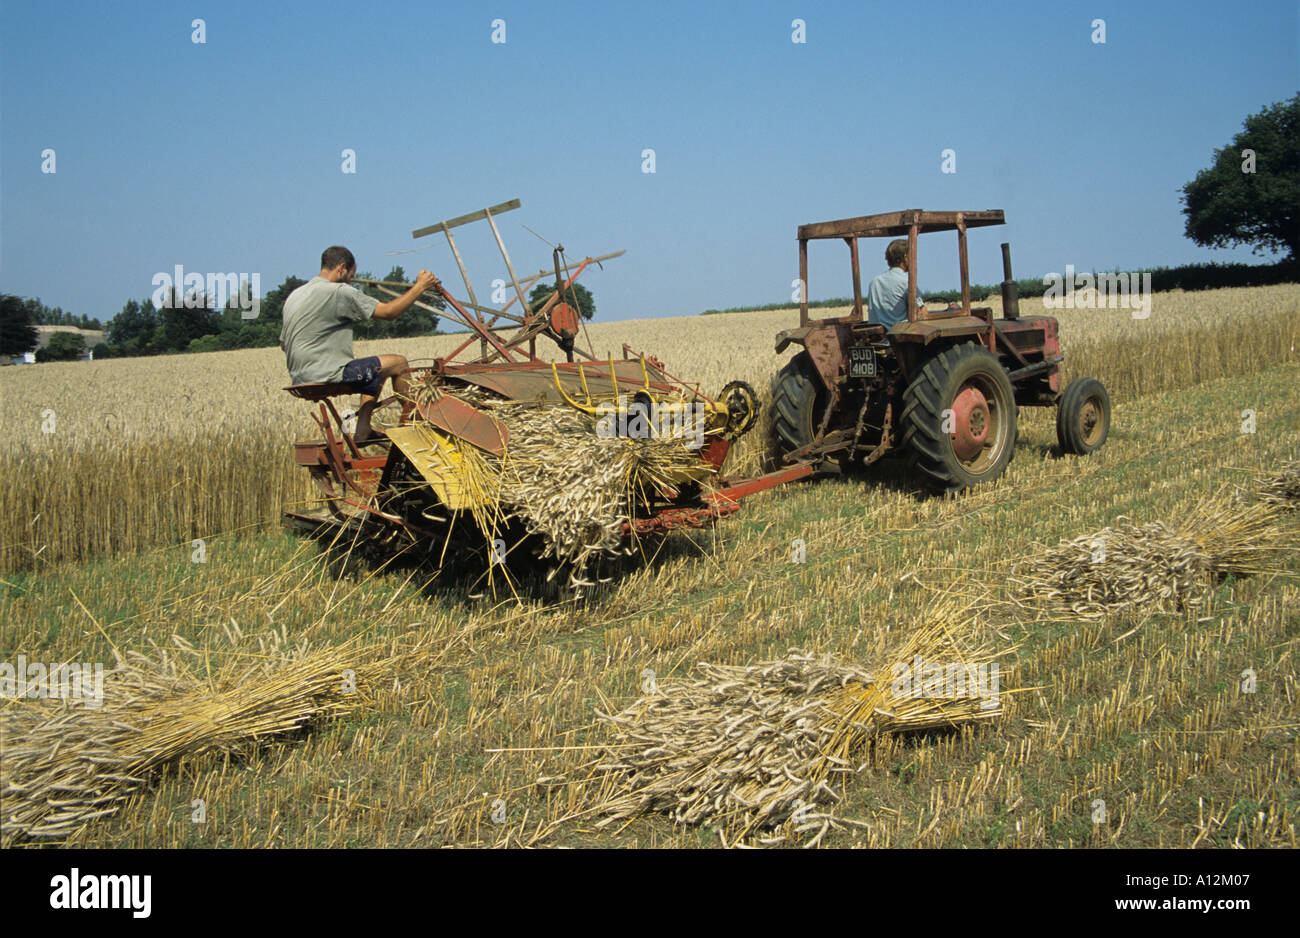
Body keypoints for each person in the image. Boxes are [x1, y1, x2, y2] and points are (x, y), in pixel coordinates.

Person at [280, 246, 437, 444]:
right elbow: (389, 312)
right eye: (351, 276)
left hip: (299, 378)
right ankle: (418, 428)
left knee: (375, 368)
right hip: (329, 374)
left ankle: (363, 430)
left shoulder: (295, 295)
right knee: (399, 363)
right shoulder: (339, 291)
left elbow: (284, 345)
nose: (351, 281)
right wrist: (420, 287)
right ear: (342, 268)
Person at [866, 239, 924, 328]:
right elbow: (922, 313)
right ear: (905, 257)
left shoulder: (874, 282)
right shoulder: (907, 282)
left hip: (880, 338)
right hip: (901, 336)